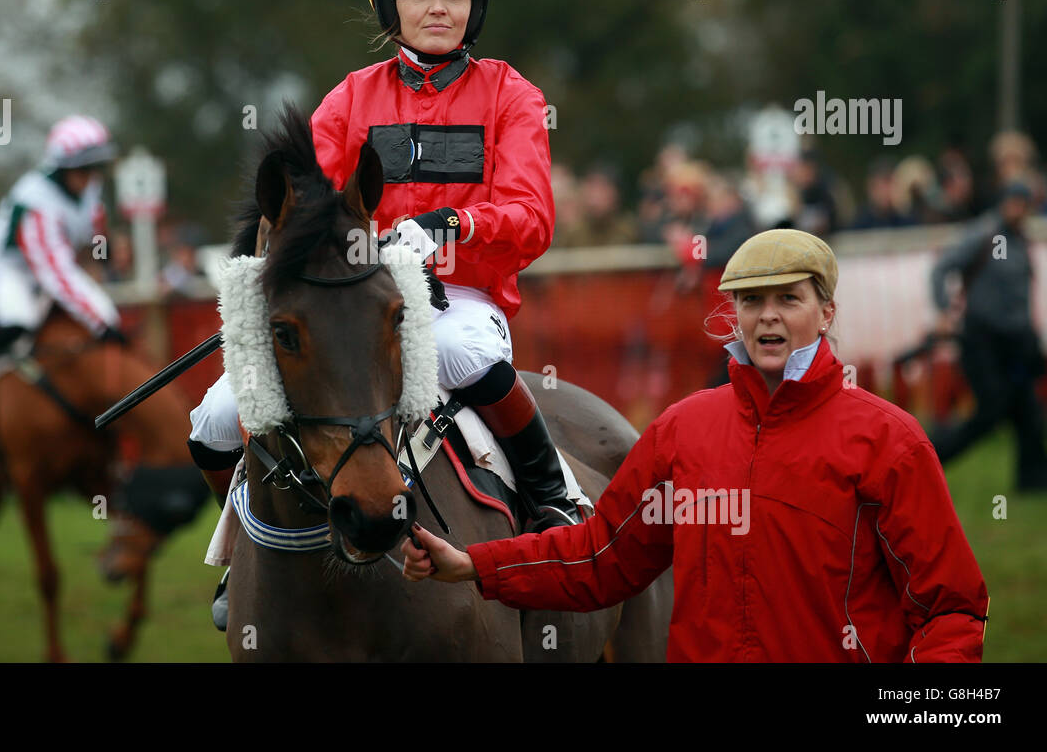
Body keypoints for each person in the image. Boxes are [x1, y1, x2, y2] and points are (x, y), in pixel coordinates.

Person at [402, 229, 990, 662]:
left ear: (827, 311)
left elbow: (952, 609)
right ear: (732, 314)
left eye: (789, 299)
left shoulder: (890, 440)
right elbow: (601, 558)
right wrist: (473, 565)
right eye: (752, 301)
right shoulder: (682, 429)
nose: (769, 318)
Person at [190, 0, 577, 531]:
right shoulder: (349, 99)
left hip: (462, 300)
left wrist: (452, 224)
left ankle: (550, 496)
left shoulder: (514, 96)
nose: (438, 8)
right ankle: (242, 543)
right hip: (352, 303)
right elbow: (298, 209)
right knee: (212, 421)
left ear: (474, 9)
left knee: (456, 351)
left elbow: (532, 218)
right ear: (389, 4)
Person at [0, 115, 126, 416]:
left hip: (51, 264)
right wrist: (102, 320)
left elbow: (96, 229)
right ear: (63, 168)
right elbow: (56, 273)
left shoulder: (90, 188)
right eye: (83, 168)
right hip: (9, 270)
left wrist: (102, 261)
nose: (91, 176)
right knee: (21, 320)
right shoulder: (36, 204)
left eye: (96, 167)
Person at [929, 179, 1047, 491]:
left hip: (1016, 342)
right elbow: (942, 268)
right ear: (1003, 202)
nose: (1019, 209)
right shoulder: (983, 234)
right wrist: (943, 310)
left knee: (1027, 409)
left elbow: (1020, 294)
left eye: (1024, 204)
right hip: (983, 341)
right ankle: (930, 458)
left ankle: (1034, 480)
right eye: (1014, 202)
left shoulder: (1021, 240)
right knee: (991, 410)